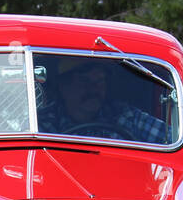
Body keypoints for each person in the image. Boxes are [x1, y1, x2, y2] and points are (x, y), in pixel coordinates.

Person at [38, 57, 171, 144]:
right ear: (63, 85)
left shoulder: (126, 116)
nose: (94, 89)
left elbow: (170, 140)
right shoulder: (44, 123)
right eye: (85, 81)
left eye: (100, 81)